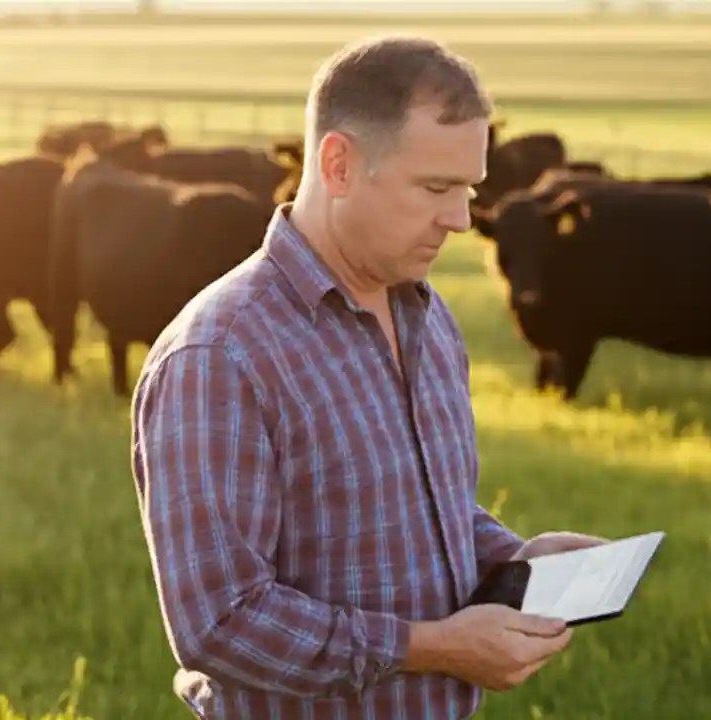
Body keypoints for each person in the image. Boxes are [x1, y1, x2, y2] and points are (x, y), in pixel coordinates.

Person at [130, 34, 607, 719]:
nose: (462, 219)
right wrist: (431, 647)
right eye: (436, 188)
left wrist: (518, 561)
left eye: (470, 189)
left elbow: (412, 508)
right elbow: (220, 622)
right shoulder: (220, 356)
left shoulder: (428, 317)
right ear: (339, 164)